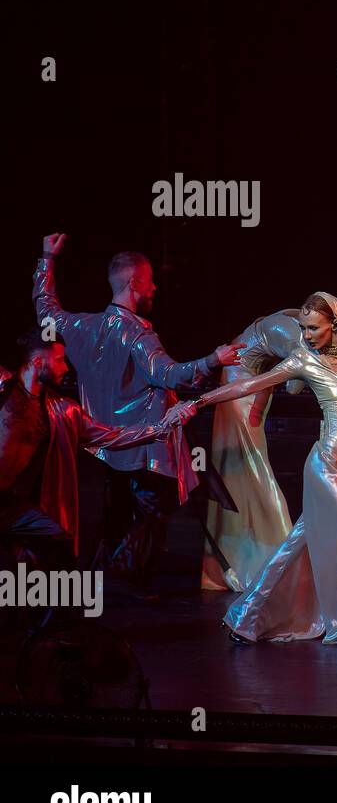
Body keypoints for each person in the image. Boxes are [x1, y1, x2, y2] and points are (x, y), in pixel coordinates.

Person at [176, 292, 337, 648]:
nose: (307, 334)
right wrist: (198, 401)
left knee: (298, 544)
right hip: (325, 466)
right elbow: (249, 384)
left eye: (313, 328)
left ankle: (248, 618)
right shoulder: (303, 361)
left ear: (336, 324)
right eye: (302, 328)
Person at [33, 233, 243, 586]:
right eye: (149, 282)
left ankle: (110, 576)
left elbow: (46, 310)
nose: (155, 288)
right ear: (134, 284)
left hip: (107, 446)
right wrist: (213, 359)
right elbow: (169, 375)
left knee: (118, 512)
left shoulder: (83, 326)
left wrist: (46, 260)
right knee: (152, 512)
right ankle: (129, 579)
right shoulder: (139, 335)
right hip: (144, 447)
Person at [0, 330, 192, 586]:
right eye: (58, 360)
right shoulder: (3, 388)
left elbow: (112, 436)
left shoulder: (65, 412)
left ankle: (47, 623)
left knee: (57, 544)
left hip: (12, 506)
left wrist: (163, 426)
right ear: (38, 362)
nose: (66, 367)